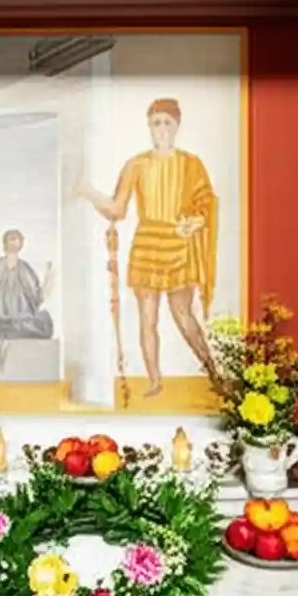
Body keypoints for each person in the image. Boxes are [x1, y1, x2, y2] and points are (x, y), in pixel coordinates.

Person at [78, 98, 217, 396]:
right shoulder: (137, 164)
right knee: (147, 318)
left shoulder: (191, 164)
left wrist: (194, 221)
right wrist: (89, 193)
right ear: (149, 127)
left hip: (177, 245)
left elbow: (206, 203)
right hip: (147, 245)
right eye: (157, 122)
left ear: (177, 125)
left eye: (168, 122)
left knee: (183, 314)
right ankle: (155, 380)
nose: (162, 128)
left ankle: (213, 371)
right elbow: (117, 208)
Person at [0, 229, 55, 346]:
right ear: (5, 243)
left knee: (42, 322)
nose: (14, 242)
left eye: (16, 239)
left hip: (20, 319)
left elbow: (36, 298)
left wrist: (49, 277)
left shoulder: (25, 269)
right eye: (11, 239)